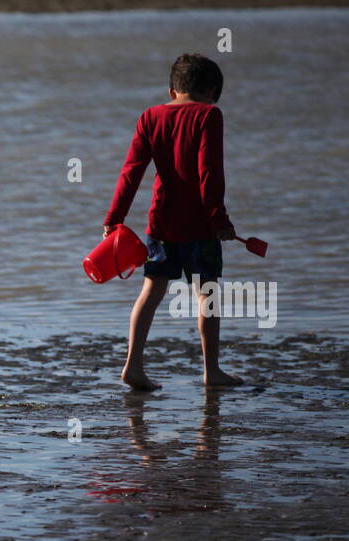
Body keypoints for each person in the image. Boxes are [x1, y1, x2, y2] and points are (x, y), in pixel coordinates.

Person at [103, 53, 244, 390]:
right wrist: (219, 218)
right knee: (207, 292)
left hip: (161, 224)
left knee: (151, 290)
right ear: (212, 91)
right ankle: (212, 371)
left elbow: (131, 172)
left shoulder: (150, 117)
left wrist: (114, 218)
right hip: (200, 226)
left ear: (172, 91)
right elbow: (208, 172)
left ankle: (133, 365)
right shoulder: (209, 115)